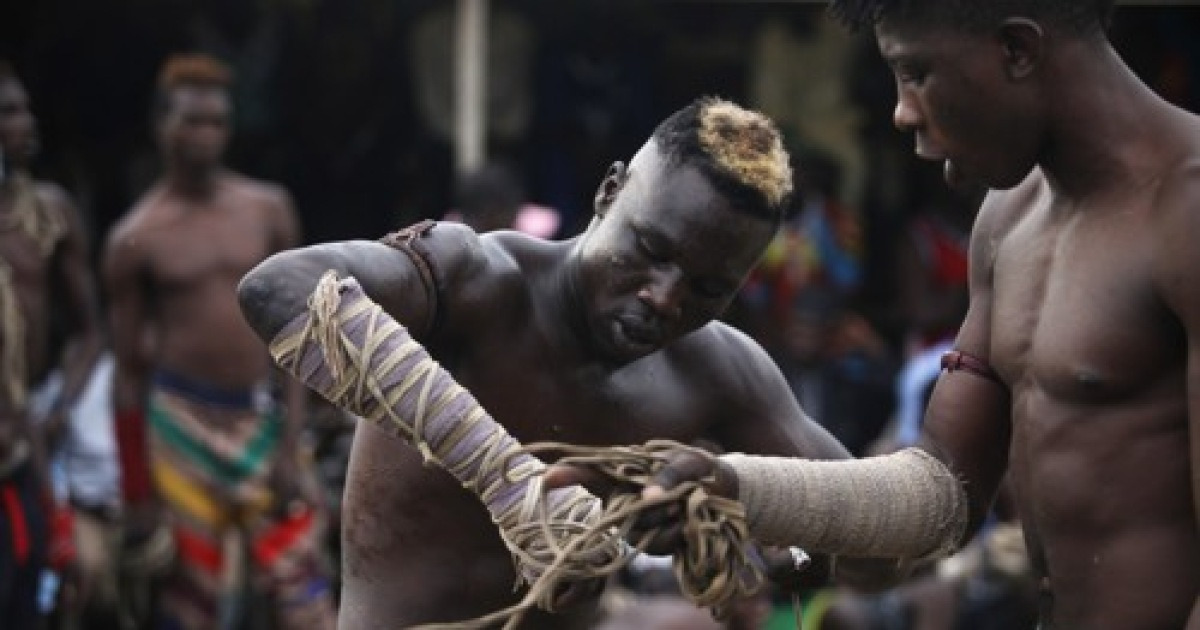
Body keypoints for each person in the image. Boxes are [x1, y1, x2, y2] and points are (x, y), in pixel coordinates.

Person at [549, 1, 1200, 627]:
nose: (900, 112)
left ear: (1017, 48)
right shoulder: (1010, 219)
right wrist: (731, 486)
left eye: (916, 72)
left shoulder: (1187, 210)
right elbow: (942, 495)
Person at [236, 97, 851, 629]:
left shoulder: (718, 372)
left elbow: (904, 524)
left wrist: (788, 536)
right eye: (650, 249)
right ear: (610, 192)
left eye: (708, 289)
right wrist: (511, 485)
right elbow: (279, 289)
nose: (665, 297)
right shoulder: (475, 281)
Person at [103, 53, 334, 629]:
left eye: (216, 122)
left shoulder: (267, 210)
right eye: (191, 121)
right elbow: (128, 373)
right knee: (188, 604)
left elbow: (301, 333)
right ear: (162, 127)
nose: (206, 135)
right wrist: (137, 492)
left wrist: (291, 440)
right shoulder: (136, 236)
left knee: (304, 595)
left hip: (262, 418)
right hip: (179, 425)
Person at [0, 60, 104, 627]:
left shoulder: (49, 216)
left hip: (32, 434)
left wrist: (60, 408)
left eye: (23, 108)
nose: (25, 121)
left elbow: (90, 333)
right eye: (9, 112)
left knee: (57, 580)